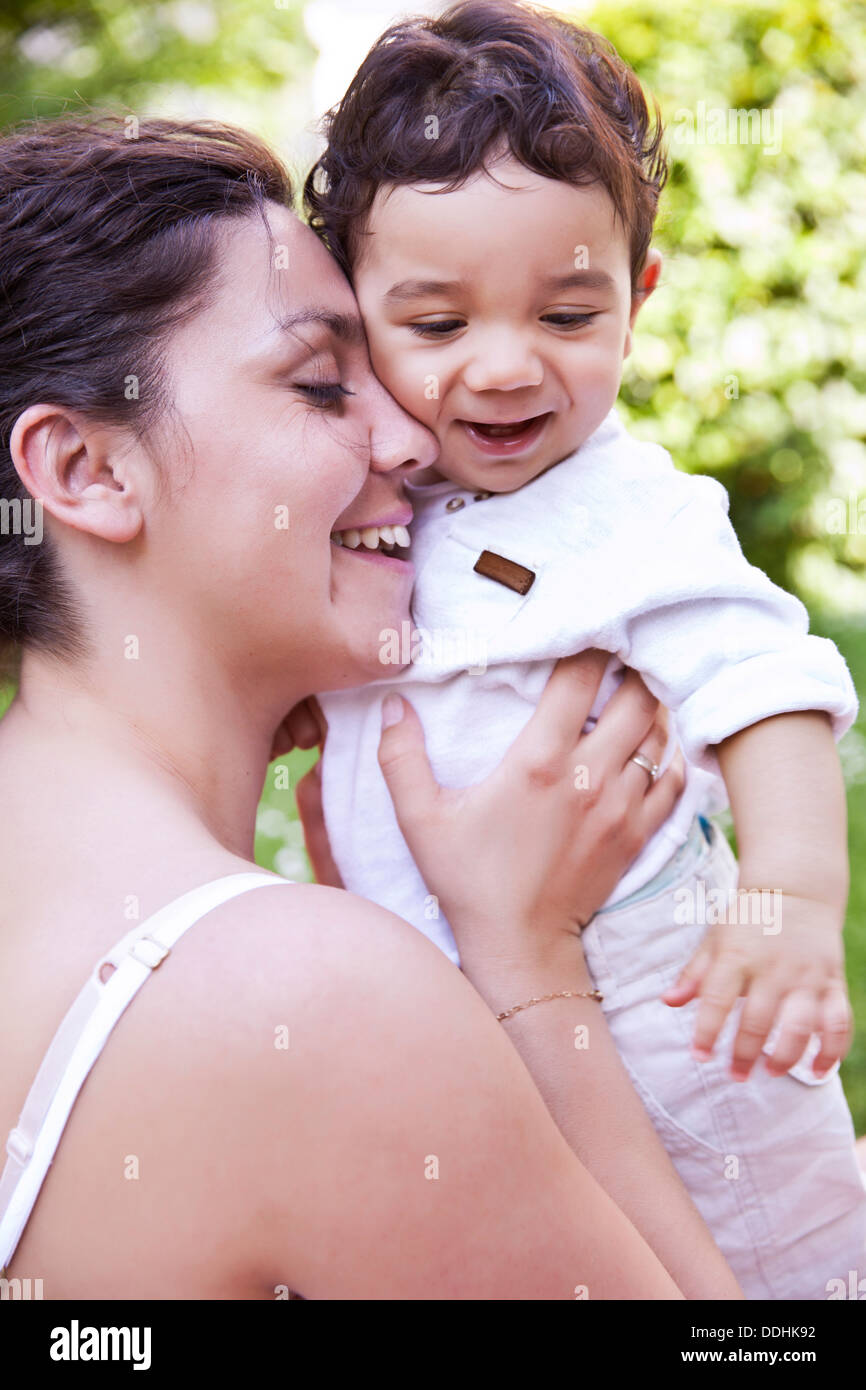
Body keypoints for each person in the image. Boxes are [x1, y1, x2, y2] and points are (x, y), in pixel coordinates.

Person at [0, 115, 743, 1299]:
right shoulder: (306, 1001)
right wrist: (524, 961)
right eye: (317, 383)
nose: (410, 433)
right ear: (88, 472)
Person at [304, 0, 866, 1297]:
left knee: (772, 1271)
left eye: (565, 316)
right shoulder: (373, 501)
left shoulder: (631, 512)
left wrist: (789, 905)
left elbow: (765, 683)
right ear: (352, 309)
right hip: (480, 1065)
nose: (503, 369)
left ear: (638, 296)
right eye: (436, 326)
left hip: (682, 1044)